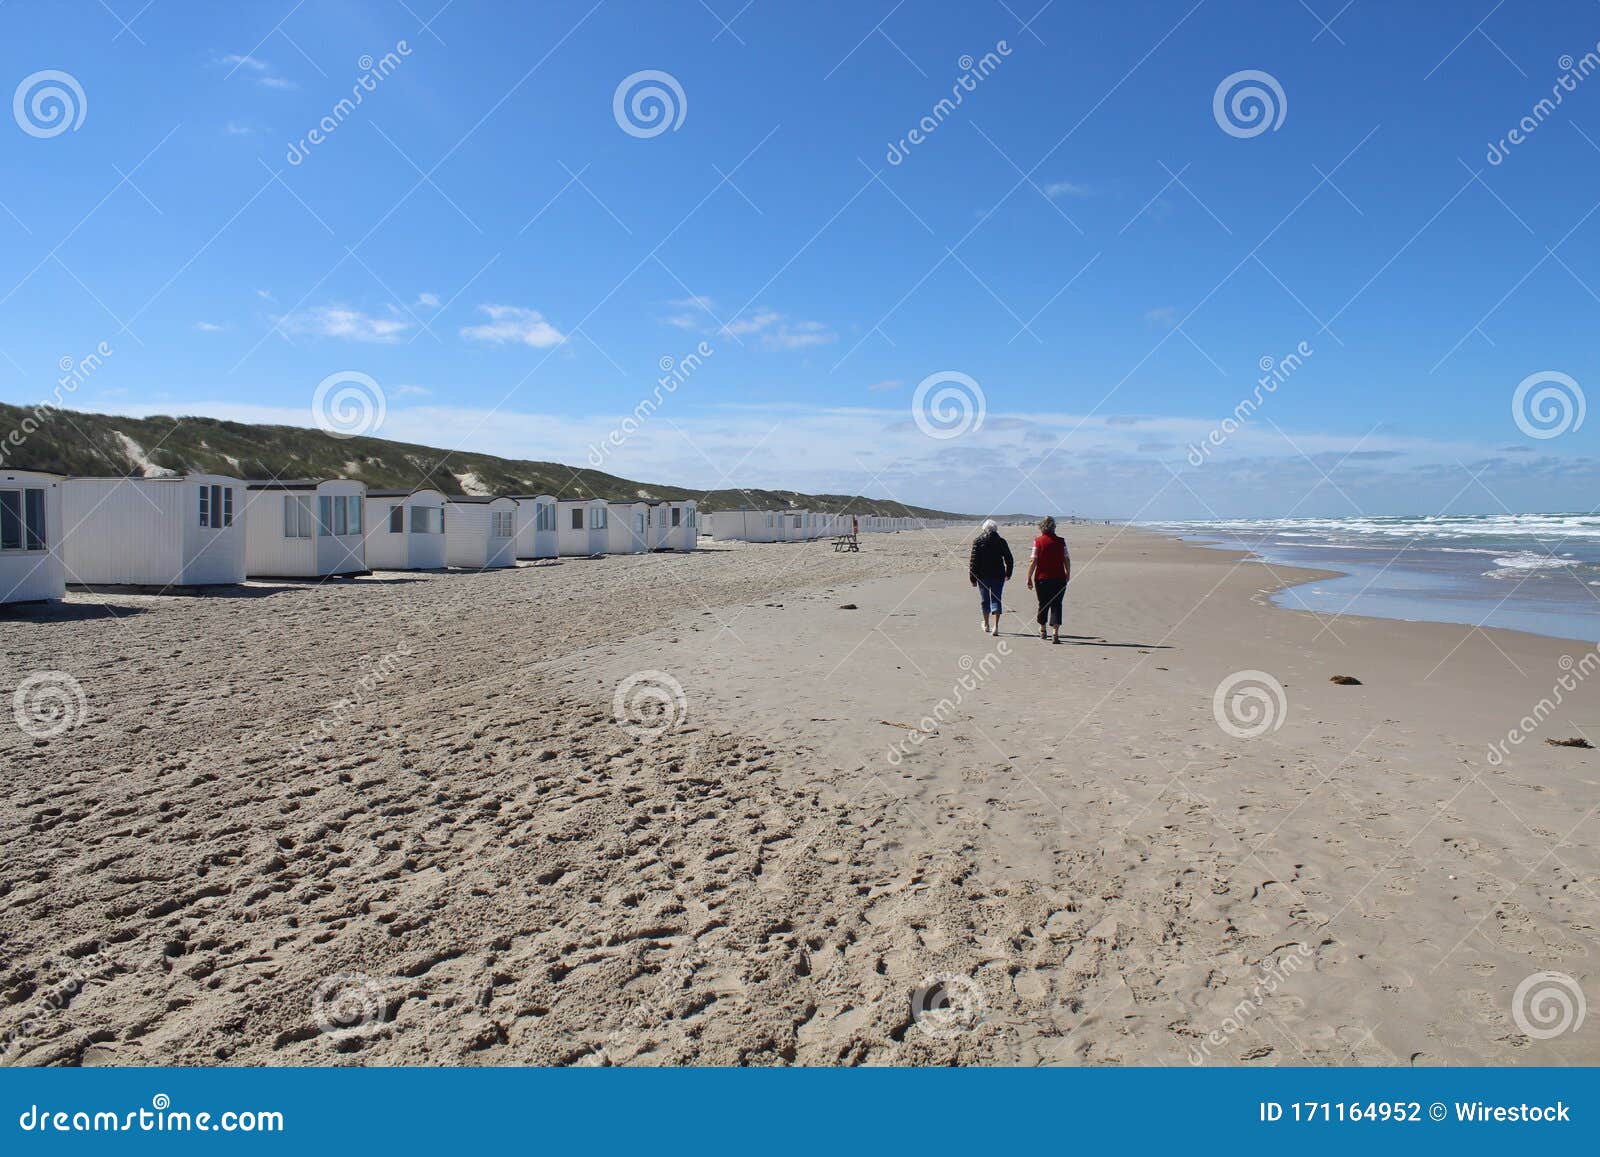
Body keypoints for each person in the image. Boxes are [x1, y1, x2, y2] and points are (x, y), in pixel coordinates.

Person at [1025, 515, 1070, 643]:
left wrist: (1028, 576)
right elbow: (1066, 558)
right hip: (1059, 577)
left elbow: (1033, 560)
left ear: (1042, 528)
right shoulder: (1061, 541)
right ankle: (1055, 633)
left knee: (1043, 604)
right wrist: (1068, 572)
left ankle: (1043, 629)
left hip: (1042, 578)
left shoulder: (1038, 541)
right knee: (1057, 604)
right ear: (1054, 527)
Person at [967, 519, 1013, 635]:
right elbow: (1009, 559)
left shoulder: (978, 541)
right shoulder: (1001, 541)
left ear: (984, 529)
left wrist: (972, 578)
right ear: (996, 529)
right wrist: (1008, 573)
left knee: (985, 600)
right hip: (998, 575)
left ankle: (986, 624)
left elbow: (974, 562)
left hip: (983, 576)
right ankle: (996, 627)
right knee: (996, 599)